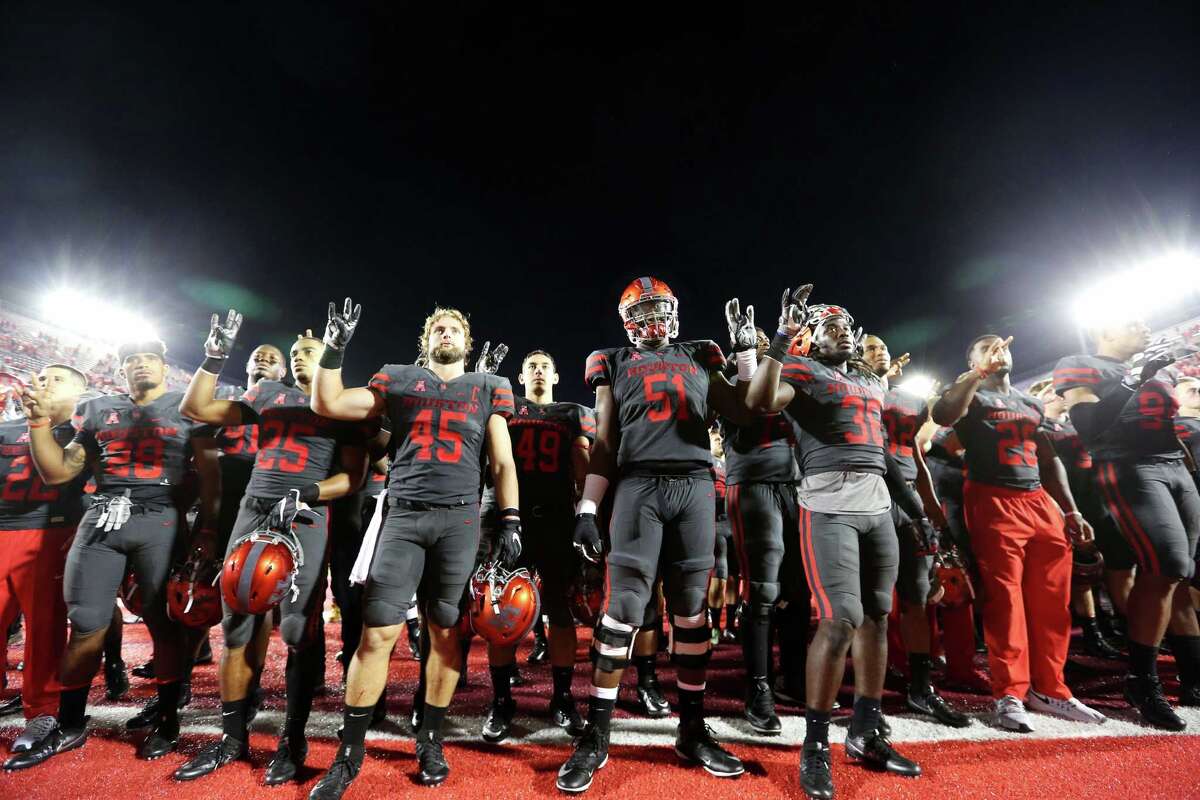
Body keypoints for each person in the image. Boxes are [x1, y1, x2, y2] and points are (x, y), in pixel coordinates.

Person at [307, 299, 518, 794]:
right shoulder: (399, 378)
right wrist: (335, 348)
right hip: (403, 514)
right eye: (438, 328)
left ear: (466, 342)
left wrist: (508, 519)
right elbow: (329, 403)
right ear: (426, 341)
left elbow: (502, 461)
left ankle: (429, 737)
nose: (446, 333)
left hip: (460, 519)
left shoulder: (490, 386)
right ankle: (349, 752)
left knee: (445, 631)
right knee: (378, 632)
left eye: (454, 328)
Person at [556, 277, 747, 793]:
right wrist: (589, 507)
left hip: (693, 485)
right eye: (640, 312)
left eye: (658, 308)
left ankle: (691, 728)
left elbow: (745, 410)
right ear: (625, 322)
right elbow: (604, 441)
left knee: (691, 612)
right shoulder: (613, 362)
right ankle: (596, 734)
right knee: (622, 612)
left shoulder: (701, 354)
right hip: (639, 485)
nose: (650, 320)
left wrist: (748, 353)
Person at [173, 315, 369, 785]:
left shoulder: (343, 405)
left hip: (305, 514)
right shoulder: (267, 395)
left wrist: (309, 494)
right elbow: (196, 406)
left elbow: (353, 477)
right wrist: (214, 356)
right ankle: (232, 737)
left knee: (299, 627)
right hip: (255, 506)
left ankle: (292, 738)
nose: (302, 357)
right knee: (237, 621)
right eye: (297, 353)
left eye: (311, 351)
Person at [746, 290, 925, 800]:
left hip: (878, 504)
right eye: (828, 324)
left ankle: (867, 730)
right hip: (827, 503)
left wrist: (914, 512)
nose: (842, 329)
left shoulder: (870, 379)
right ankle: (816, 743)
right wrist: (780, 340)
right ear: (808, 337)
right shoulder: (800, 370)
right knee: (839, 617)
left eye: (846, 322)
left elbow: (883, 454)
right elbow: (760, 401)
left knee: (876, 615)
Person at [10, 340, 218, 769]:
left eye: (150, 358)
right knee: (85, 623)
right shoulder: (98, 408)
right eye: (131, 360)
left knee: (163, 621)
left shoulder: (187, 406)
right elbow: (58, 471)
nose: (140, 364)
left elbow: (211, 478)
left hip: (159, 517)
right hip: (102, 516)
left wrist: (205, 532)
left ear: (163, 368)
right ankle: (69, 724)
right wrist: (37, 426)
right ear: (121, 369)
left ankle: (167, 719)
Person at [934, 334, 1106, 732]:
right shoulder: (969, 395)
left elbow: (1048, 458)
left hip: (1038, 499)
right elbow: (943, 416)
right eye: (986, 347)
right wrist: (977, 372)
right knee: (1004, 602)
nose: (999, 351)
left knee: (1052, 601)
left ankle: (1051, 689)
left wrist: (1070, 508)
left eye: (1003, 346)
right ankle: (1010, 692)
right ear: (972, 360)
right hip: (993, 500)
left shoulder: (1030, 401)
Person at [1056, 323, 1200, 724]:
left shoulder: (1153, 369)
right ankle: (1142, 680)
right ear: (1105, 327)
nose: (1143, 327)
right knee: (1166, 567)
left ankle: (1193, 678)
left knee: (1182, 575)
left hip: (1174, 468)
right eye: (1130, 321)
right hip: (1127, 466)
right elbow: (1090, 426)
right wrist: (1138, 378)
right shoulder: (1080, 364)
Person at [479, 349, 592, 742]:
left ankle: (562, 697)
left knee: (561, 611)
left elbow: (583, 465)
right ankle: (501, 699)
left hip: (556, 517)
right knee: (501, 611)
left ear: (557, 376)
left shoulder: (572, 412)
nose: (539, 371)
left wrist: (587, 514)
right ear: (521, 376)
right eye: (532, 367)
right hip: (508, 516)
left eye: (546, 365)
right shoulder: (507, 407)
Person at [862, 334, 969, 727]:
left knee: (918, 596)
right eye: (870, 347)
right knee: (866, 600)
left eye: (881, 346)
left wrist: (932, 508)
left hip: (908, 496)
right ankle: (864, 689)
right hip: (868, 494)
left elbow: (915, 456)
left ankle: (921, 688)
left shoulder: (909, 400)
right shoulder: (853, 390)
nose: (879, 351)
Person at [0, 365, 90, 767]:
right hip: (2, 527)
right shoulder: (7, 427)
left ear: (79, 392)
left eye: (58, 378)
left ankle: (43, 711)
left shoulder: (86, 430)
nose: (45, 381)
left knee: (45, 627)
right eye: (42, 375)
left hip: (49, 531)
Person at [1030, 378, 1124, 659]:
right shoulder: (1039, 428)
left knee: (1099, 566)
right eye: (1057, 393)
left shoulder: (1074, 425)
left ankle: (1105, 624)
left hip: (1091, 498)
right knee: (1078, 572)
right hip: (1062, 502)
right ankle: (1090, 633)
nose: (1063, 397)